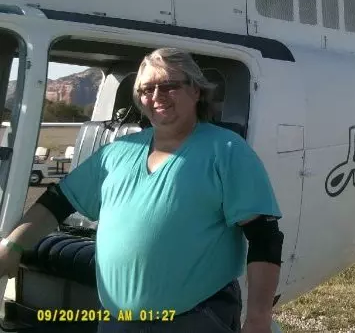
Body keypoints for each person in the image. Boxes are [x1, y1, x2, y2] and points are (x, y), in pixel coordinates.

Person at [0, 48, 284, 333]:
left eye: (170, 86)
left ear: (196, 91)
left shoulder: (227, 151)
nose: (157, 96)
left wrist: (258, 318)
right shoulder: (117, 153)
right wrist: (13, 246)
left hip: (195, 317)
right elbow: (58, 201)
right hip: (116, 321)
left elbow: (264, 237)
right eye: (147, 88)